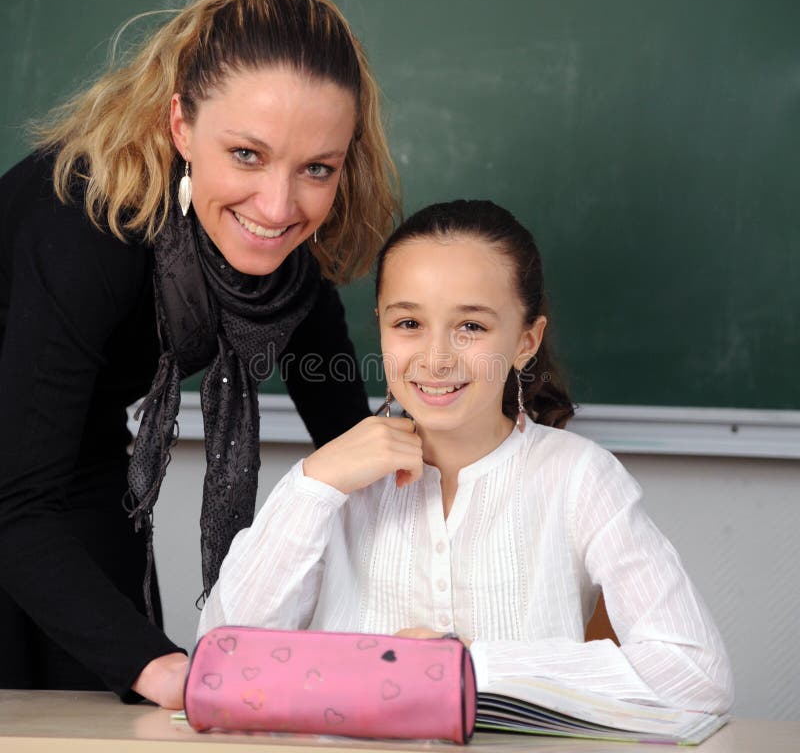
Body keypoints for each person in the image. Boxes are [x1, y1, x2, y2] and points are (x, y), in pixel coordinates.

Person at [0, 0, 398, 709]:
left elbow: (352, 445)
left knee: (110, 674)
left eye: (318, 168)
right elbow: (15, 503)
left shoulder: (288, 261)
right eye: (246, 154)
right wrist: (174, 674)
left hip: (77, 448)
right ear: (180, 125)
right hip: (15, 466)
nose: (278, 207)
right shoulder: (90, 225)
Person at [199, 200, 734, 714]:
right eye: (408, 324)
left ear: (526, 341)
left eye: (471, 327)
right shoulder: (334, 481)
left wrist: (466, 667)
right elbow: (220, 655)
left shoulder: (579, 477)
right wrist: (313, 484)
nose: (435, 358)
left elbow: (696, 674)